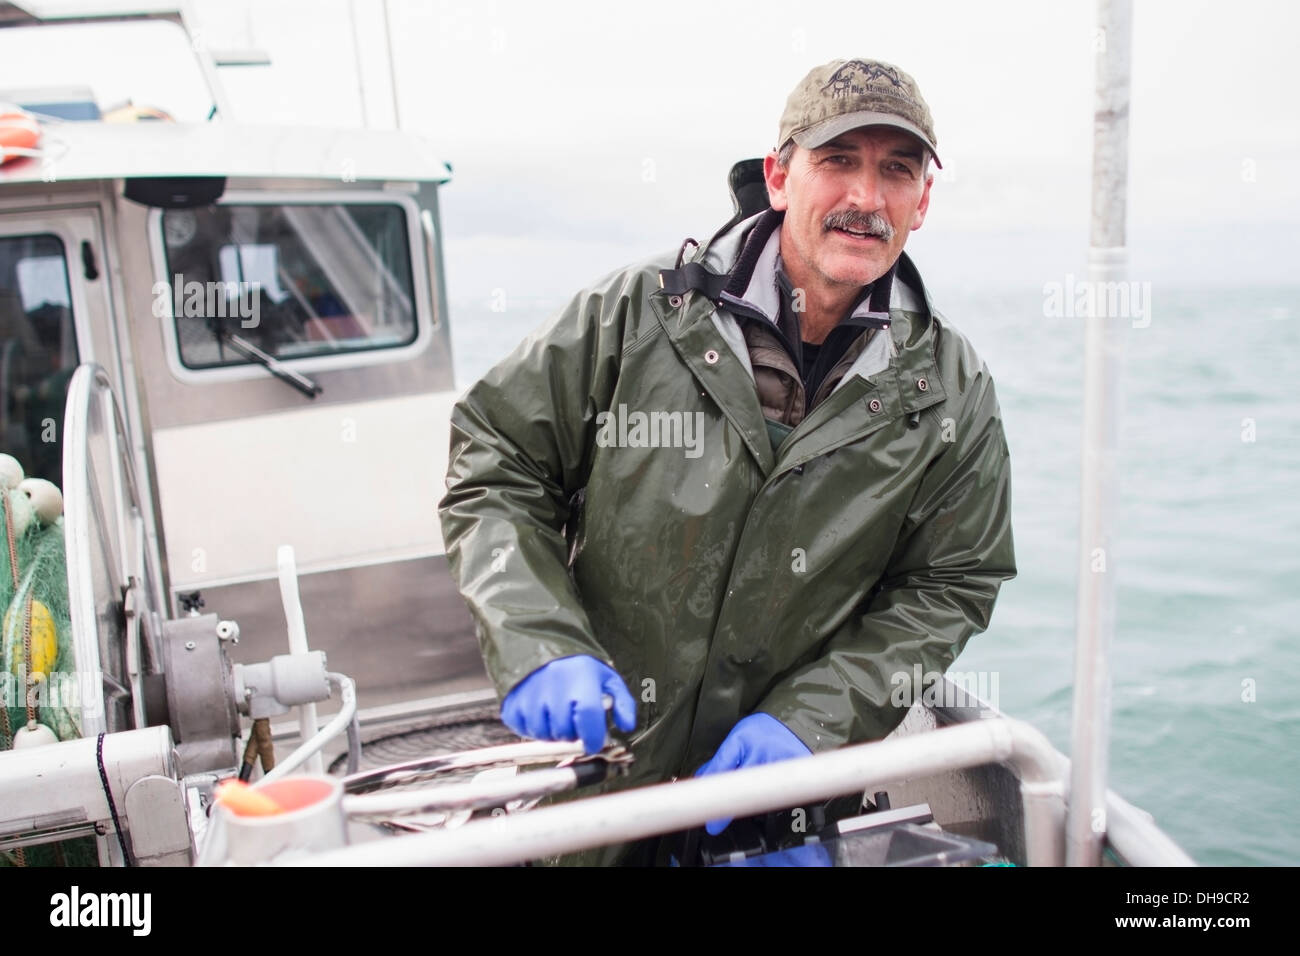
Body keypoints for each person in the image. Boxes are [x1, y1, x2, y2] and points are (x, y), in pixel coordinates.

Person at [438, 57, 1016, 865]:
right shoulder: (633, 314)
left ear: (922, 202)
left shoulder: (952, 388)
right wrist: (540, 641)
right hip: (590, 791)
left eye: (896, 170)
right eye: (838, 161)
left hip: (780, 811)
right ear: (779, 177)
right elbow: (497, 462)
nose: (865, 197)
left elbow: (952, 581)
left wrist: (811, 725)